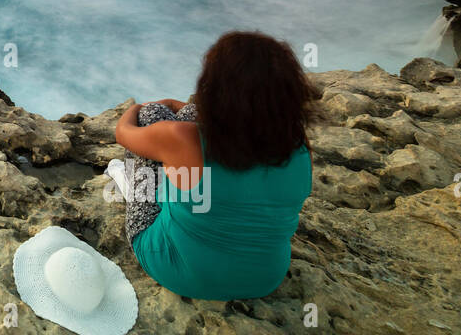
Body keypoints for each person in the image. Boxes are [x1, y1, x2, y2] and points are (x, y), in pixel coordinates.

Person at [109, 31, 314, 300]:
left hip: (178, 271)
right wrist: (183, 111)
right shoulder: (298, 148)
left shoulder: (186, 140)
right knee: (190, 117)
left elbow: (123, 132)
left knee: (151, 117)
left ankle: (137, 187)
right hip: (264, 279)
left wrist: (138, 107)